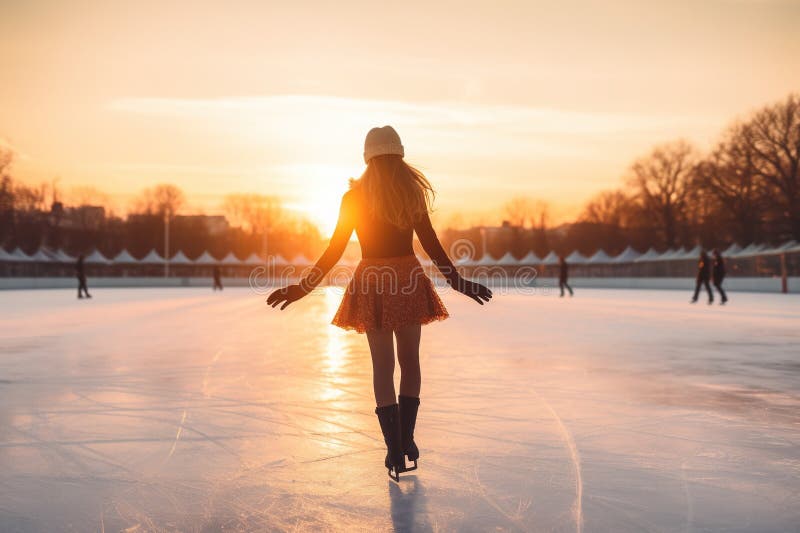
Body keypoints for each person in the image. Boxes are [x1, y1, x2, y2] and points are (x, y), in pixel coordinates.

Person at [267, 126, 492, 481]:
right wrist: (457, 281)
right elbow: (430, 243)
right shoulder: (410, 191)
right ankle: (407, 440)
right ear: (398, 154)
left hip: (372, 278)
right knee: (410, 362)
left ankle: (392, 449)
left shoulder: (353, 198)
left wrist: (303, 287)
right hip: (406, 278)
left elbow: (335, 249)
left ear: (368, 156)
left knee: (382, 367)